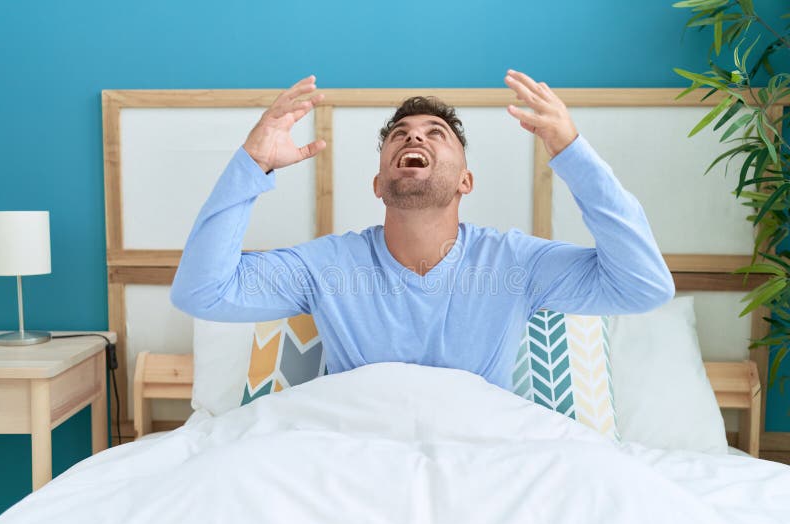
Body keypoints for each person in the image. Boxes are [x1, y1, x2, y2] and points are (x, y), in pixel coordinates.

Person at [170, 70, 675, 391]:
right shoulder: (324, 266)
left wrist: (572, 154)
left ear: (465, 180)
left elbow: (644, 286)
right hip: (356, 455)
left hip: (481, 456)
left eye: (437, 134)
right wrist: (252, 165)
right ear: (378, 182)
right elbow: (203, 293)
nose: (414, 134)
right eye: (400, 134)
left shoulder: (517, 264)